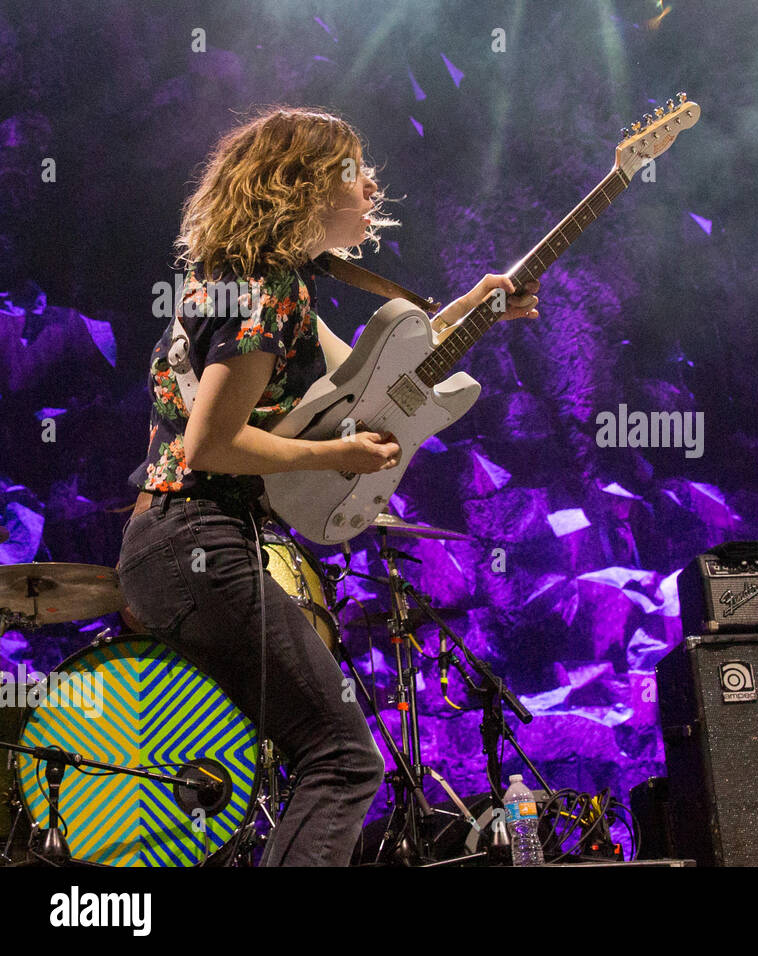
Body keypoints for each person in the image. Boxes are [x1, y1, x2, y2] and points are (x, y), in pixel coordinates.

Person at [117, 107, 540, 866]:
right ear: (302, 186)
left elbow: (376, 382)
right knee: (344, 760)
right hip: (198, 541)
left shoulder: (265, 284)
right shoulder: (264, 289)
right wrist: (336, 456)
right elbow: (213, 441)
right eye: (353, 170)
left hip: (172, 549)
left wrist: (474, 312)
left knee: (239, 781)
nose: (372, 183)